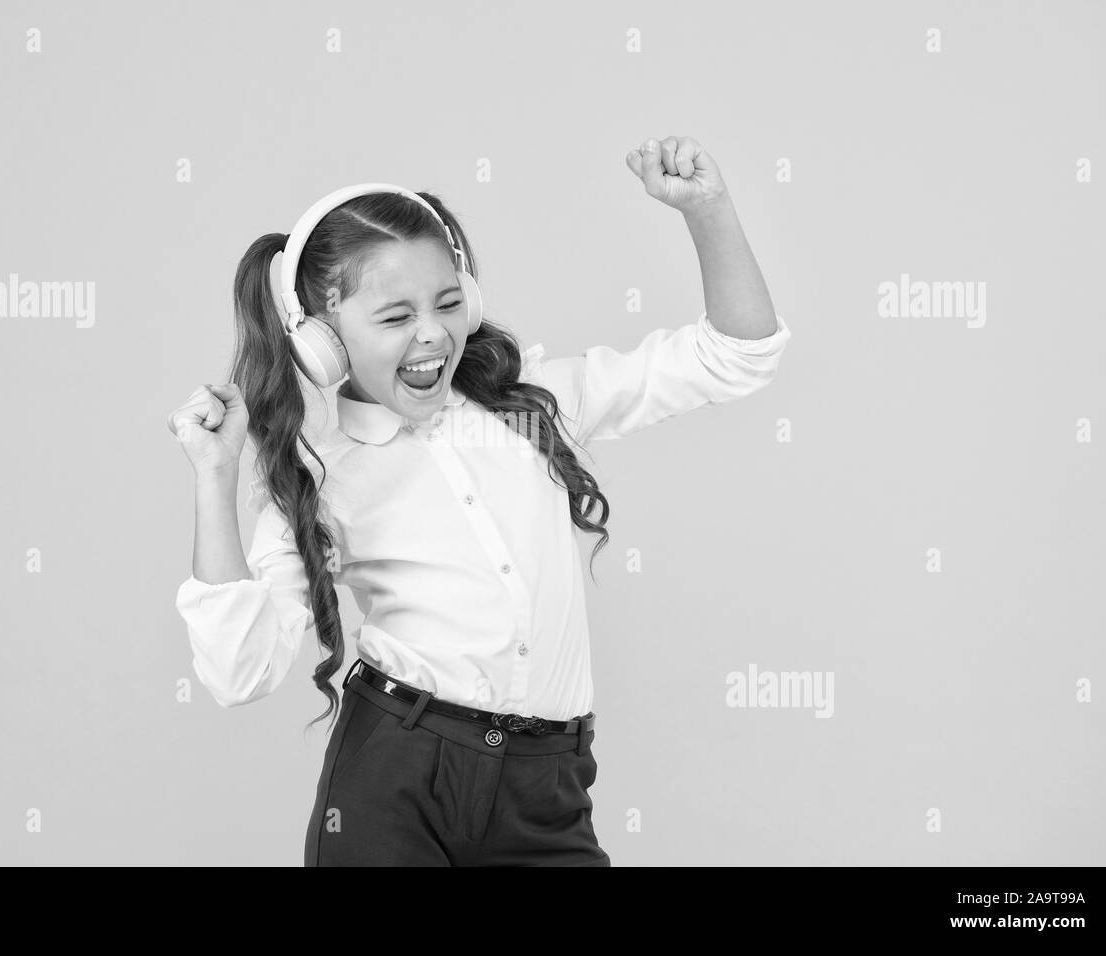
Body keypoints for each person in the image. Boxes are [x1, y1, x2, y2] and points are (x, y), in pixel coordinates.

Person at [167, 135, 793, 866]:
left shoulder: (539, 409)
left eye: (448, 303)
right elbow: (240, 672)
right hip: (395, 780)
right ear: (322, 343)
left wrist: (707, 210)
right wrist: (214, 476)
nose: (432, 333)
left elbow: (736, 356)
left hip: (547, 788)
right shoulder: (325, 478)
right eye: (395, 317)